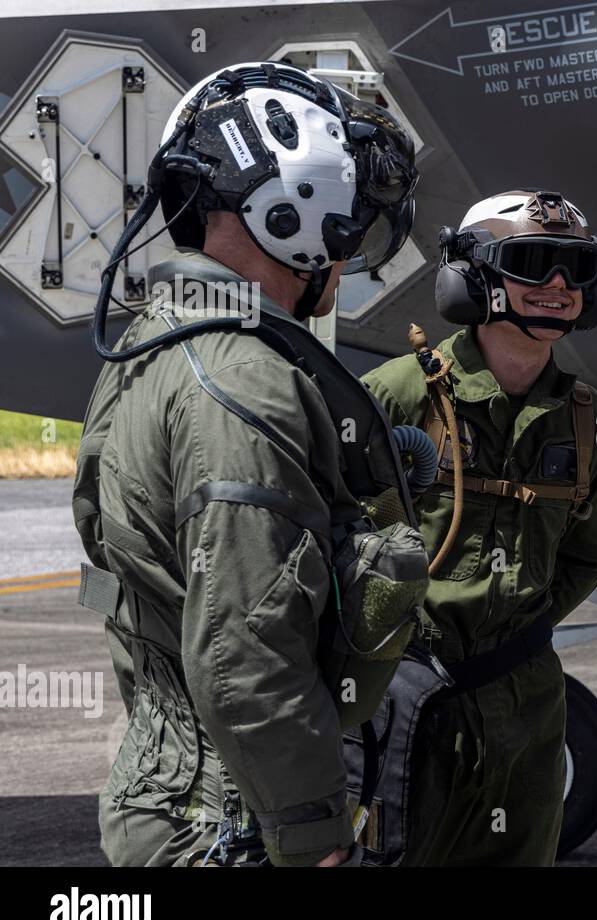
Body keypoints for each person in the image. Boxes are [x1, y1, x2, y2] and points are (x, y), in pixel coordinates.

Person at [73, 62, 421, 867]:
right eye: (349, 216)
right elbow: (244, 653)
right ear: (296, 208)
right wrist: (314, 839)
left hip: (172, 799)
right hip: (230, 829)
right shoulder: (245, 383)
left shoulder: (152, 343)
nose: (348, 242)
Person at [362, 188, 597, 865]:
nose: (560, 285)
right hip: (403, 700)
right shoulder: (397, 396)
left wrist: (508, 632)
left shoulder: (589, 423)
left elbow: (583, 560)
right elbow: (340, 539)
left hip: (526, 708)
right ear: (474, 274)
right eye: (534, 262)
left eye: (577, 267)